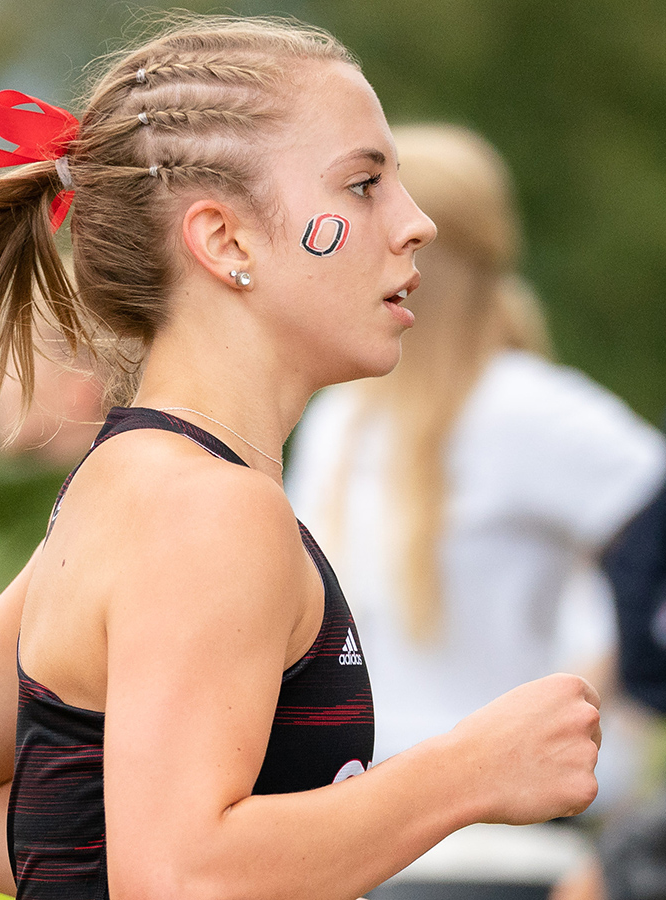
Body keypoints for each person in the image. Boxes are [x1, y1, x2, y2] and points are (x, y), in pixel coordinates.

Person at [0, 16, 602, 900]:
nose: (416, 224)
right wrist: (467, 772)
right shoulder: (207, 511)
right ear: (225, 241)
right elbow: (182, 876)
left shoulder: (125, 486)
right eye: (363, 184)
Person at [285, 125, 666, 899]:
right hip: (351, 845)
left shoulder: (526, 411)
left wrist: (611, 701)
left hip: (503, 863)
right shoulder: (338, 419)